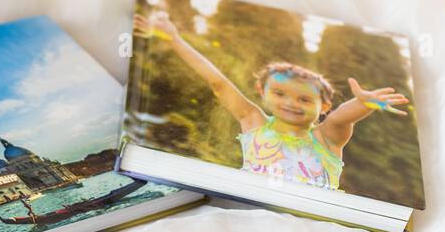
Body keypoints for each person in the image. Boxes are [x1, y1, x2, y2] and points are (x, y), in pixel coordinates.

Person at [135, 10, 410, 189]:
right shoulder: (253, 121)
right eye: (279, 94)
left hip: (314, 224)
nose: (291, 103)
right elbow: (218, 83)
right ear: (262, 92)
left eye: (304, 99)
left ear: (323, 107)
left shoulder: (326, 139)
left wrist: (364, 103)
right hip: (256, 215)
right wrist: (175, 40)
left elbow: (342, 117)